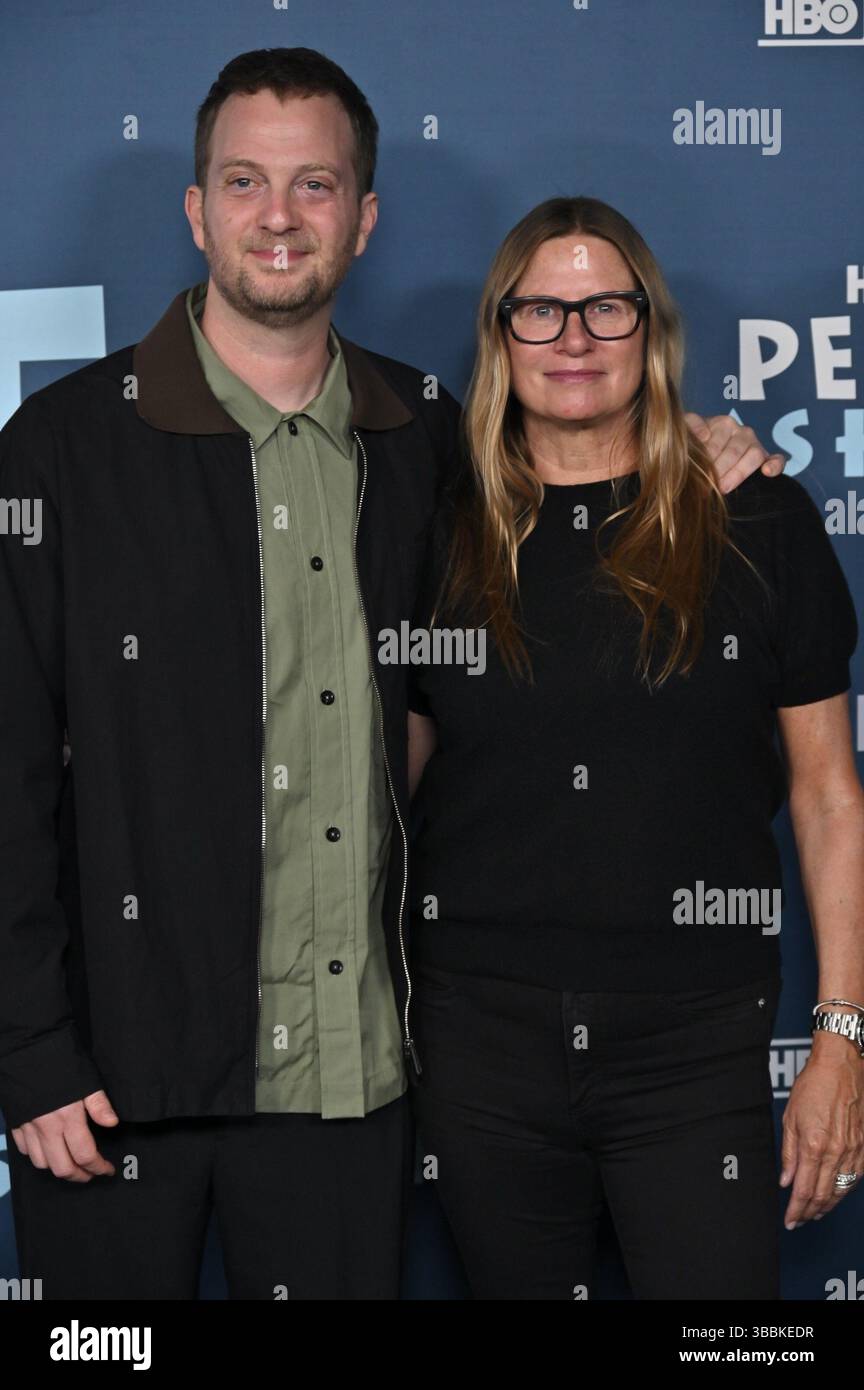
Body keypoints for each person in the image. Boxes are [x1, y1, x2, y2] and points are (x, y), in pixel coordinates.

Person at [0, 48, 783, 1301]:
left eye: (315, 186)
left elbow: (580, 459)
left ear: (363, 219)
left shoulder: (424, 437)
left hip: (349, 1086)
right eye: (244, 181)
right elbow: (8, 775)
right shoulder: (61, 451)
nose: (277, 216)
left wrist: (701, 438)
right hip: (109, 1086)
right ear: (197, 208)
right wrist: (29, 1051)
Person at [406, 195, 864, 1301]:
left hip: (695, 1043)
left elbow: (828, 794)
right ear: (499, 335)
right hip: (481, 1045)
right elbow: (391, 791)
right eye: (541, 311)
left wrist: (844, 1036)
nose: (573, 339)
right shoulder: (429, 530)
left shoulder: (757, 521)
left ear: (651, 332)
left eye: (606, 309)